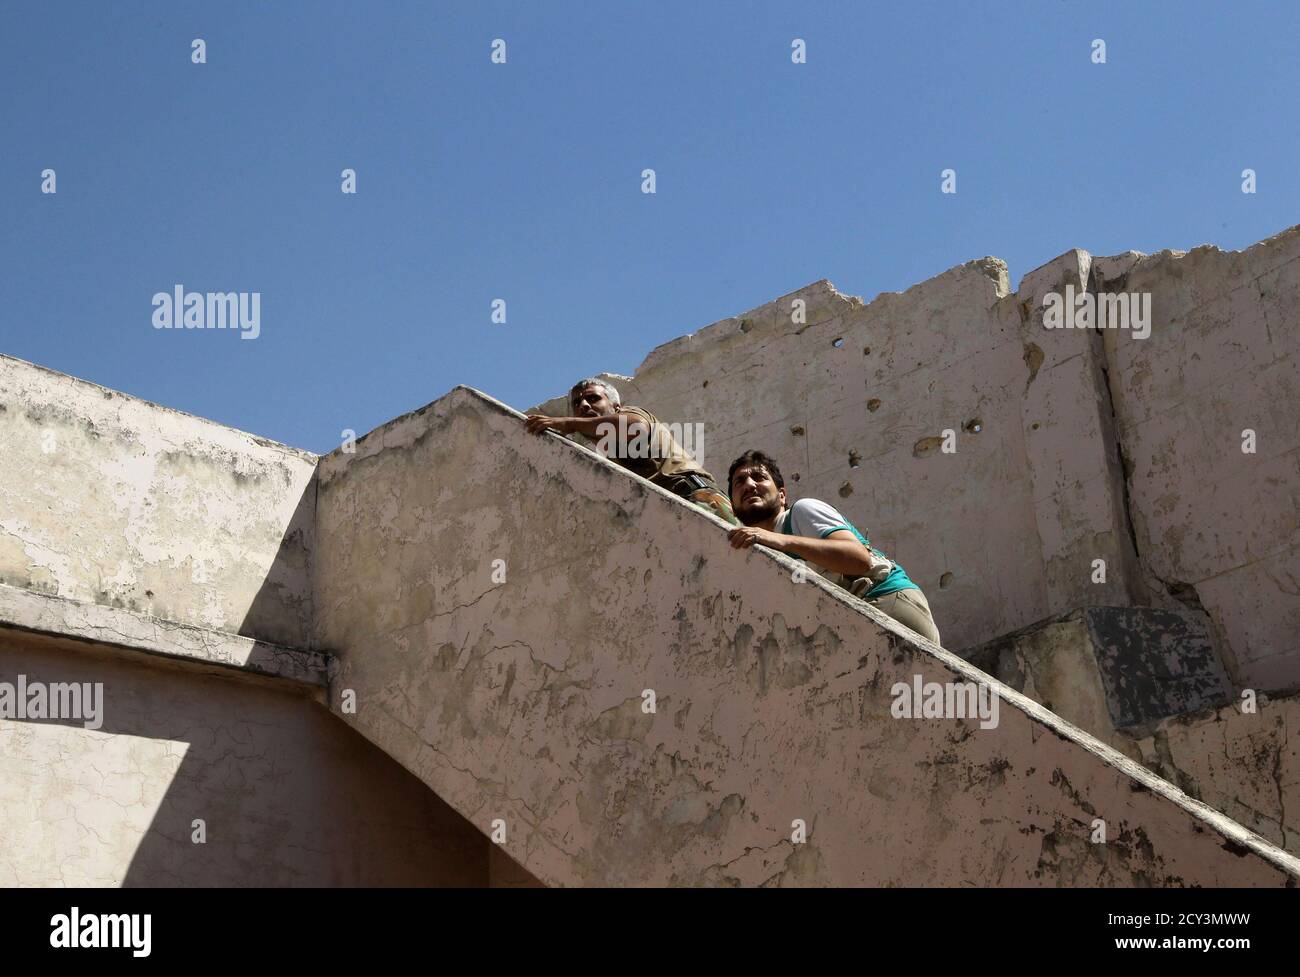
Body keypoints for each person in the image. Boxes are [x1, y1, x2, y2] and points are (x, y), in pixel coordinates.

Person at [725, 449, 940, 644]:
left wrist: (777, 540)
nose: (750, 485)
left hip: (884, 597)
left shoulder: (801, 512)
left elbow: (859, 559)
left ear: (782, 495)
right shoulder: (757, 555)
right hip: (854, 618)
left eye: (759, 477)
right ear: (733, 509)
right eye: (740, 482)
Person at [524, 378, 738, 525]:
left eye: (593, 398)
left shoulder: (632, 414)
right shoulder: (607, 452)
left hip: (696, 497)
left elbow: (635, 428)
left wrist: (569, 423)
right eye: (577, 402)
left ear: (616, 407)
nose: (584, 405)